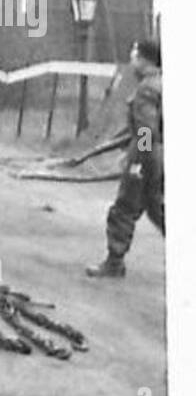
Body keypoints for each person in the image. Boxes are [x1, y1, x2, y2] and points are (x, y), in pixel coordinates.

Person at [77, 39, 163, 278]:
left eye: (134, 55)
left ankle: (114, 261)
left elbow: (146, 130)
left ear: (145, 59)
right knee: (158, 208)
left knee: (124, 208)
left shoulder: (147, 88)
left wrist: (137, 161)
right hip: (163, 154)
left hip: (148, 154)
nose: (132, 60)